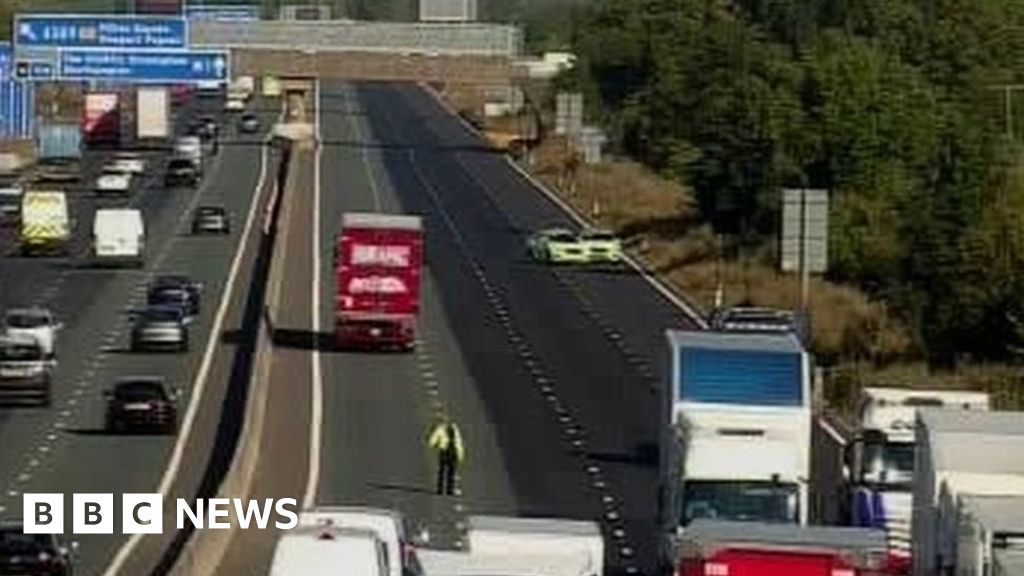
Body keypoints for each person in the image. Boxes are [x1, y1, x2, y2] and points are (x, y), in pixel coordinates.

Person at [428, 418, 465, 496]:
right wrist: (460, 455)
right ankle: (450, 490)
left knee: (442, 471)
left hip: (444, 452)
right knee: (451, 472)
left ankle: (440, 489)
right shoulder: (455, 429)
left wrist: (436, 445)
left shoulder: (440, 429)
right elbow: (459, 443)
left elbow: (432, 441)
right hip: (454, 452)